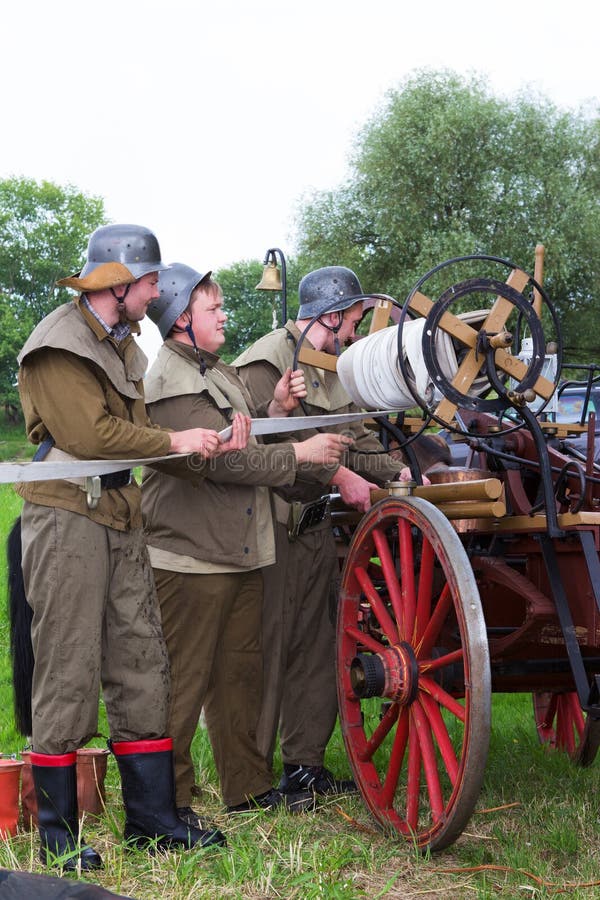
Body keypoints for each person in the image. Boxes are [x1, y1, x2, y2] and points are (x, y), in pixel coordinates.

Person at [15, 225, 249, 870]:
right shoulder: (58, 344)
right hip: (67, 519)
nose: (158, 293)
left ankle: (151, 819)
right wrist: (175, 444)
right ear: (119, 283)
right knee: (67, 666)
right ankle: (58, 835)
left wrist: (206, 440)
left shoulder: (122, 344)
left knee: (142, 657)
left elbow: (136, 430)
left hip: (119, 510)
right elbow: (88, 434)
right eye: (150, 282)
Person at [141, 263, 351, 821]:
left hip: (234, 549)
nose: (225, 314)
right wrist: (298, 455)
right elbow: (221, 461)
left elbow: (243, 430)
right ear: (183, 318)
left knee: (240, 677)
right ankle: (168, 806)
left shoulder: (214, 371)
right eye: (214, 308)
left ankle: (247, 788)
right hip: (189, 555)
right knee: (184, 685)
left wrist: (276, 409)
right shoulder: (173, 381)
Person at [235, 265, 431, 797]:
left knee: (317, 649)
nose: (357, 330)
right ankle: (249, 781)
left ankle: (303, 767)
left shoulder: (339, 366)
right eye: (355, 318)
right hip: (269, 529)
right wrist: (334, 473)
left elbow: (357, 436)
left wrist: (399, 472)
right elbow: (247, 448)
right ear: (333, 314)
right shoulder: (265, 360)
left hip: (317, 532)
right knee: (267, 654)